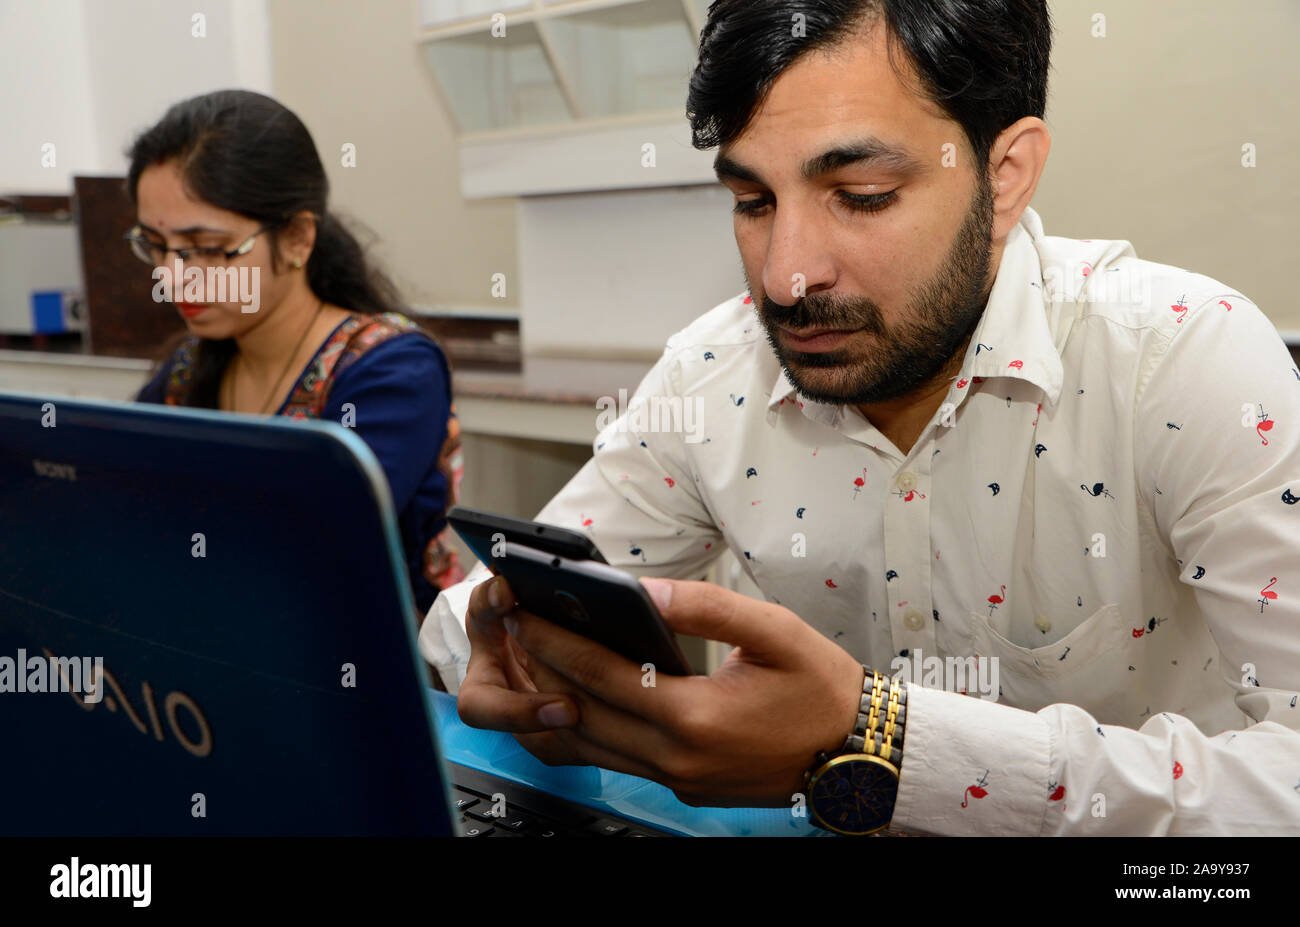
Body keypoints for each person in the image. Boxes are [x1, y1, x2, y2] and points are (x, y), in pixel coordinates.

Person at [421, 0, 1300, 835]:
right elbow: (483, 605)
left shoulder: (1183, 364)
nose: (784, 278)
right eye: (753, 202)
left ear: (1006, 173)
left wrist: (876, 739)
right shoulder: (712, 374)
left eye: (863, 193)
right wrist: (506, 651)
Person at [131, 90, 464, 617]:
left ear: (297, 239)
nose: (173, 277)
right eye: (156, 245)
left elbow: (309, 545)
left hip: (384, 664)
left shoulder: (392, 369)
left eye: (210, 249)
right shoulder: (188, 370)